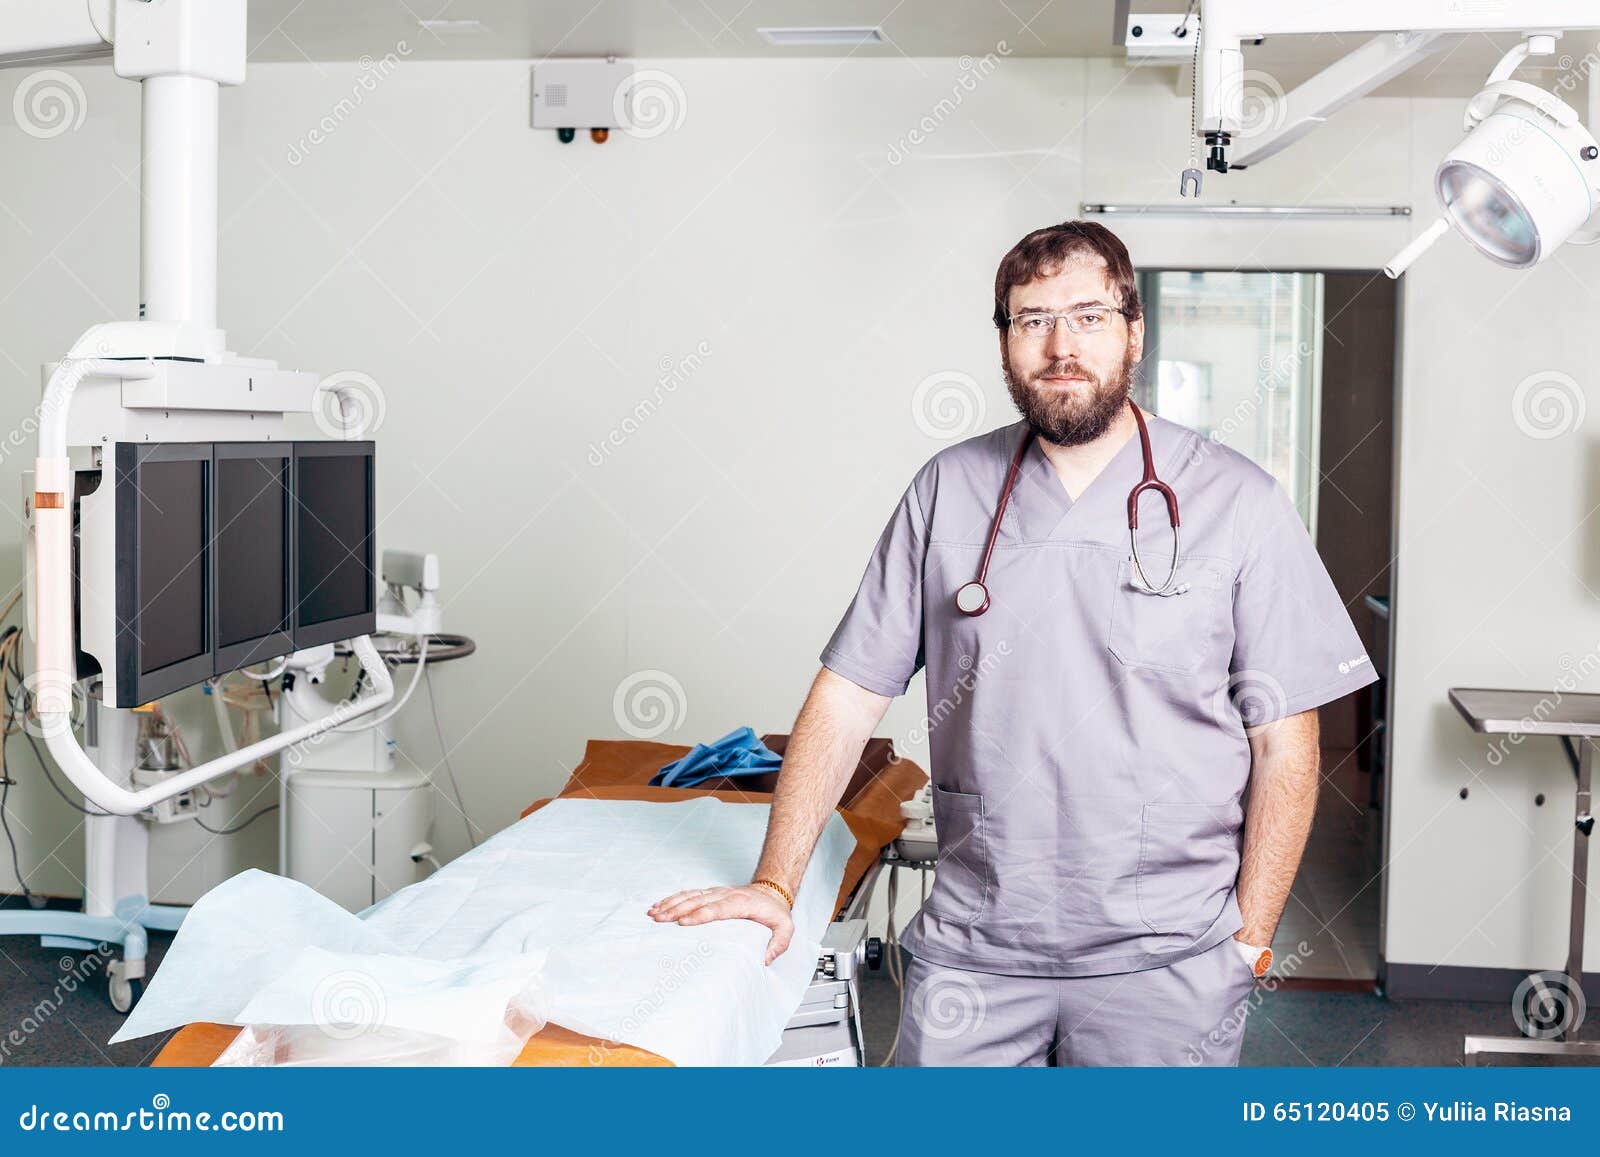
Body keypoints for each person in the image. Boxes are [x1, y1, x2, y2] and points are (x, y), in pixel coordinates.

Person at [648, 220, 1378, 1066]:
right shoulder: (946, 493)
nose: (1061, 345)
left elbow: (1286, 746)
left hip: (1169, 961)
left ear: (1135, 331)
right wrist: (774, 884)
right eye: (1032, 320)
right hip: (976, 952)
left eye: (1089, 316)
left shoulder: (1238, 502)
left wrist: (1249, 940)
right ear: (1004, 343)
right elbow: (846, 698)